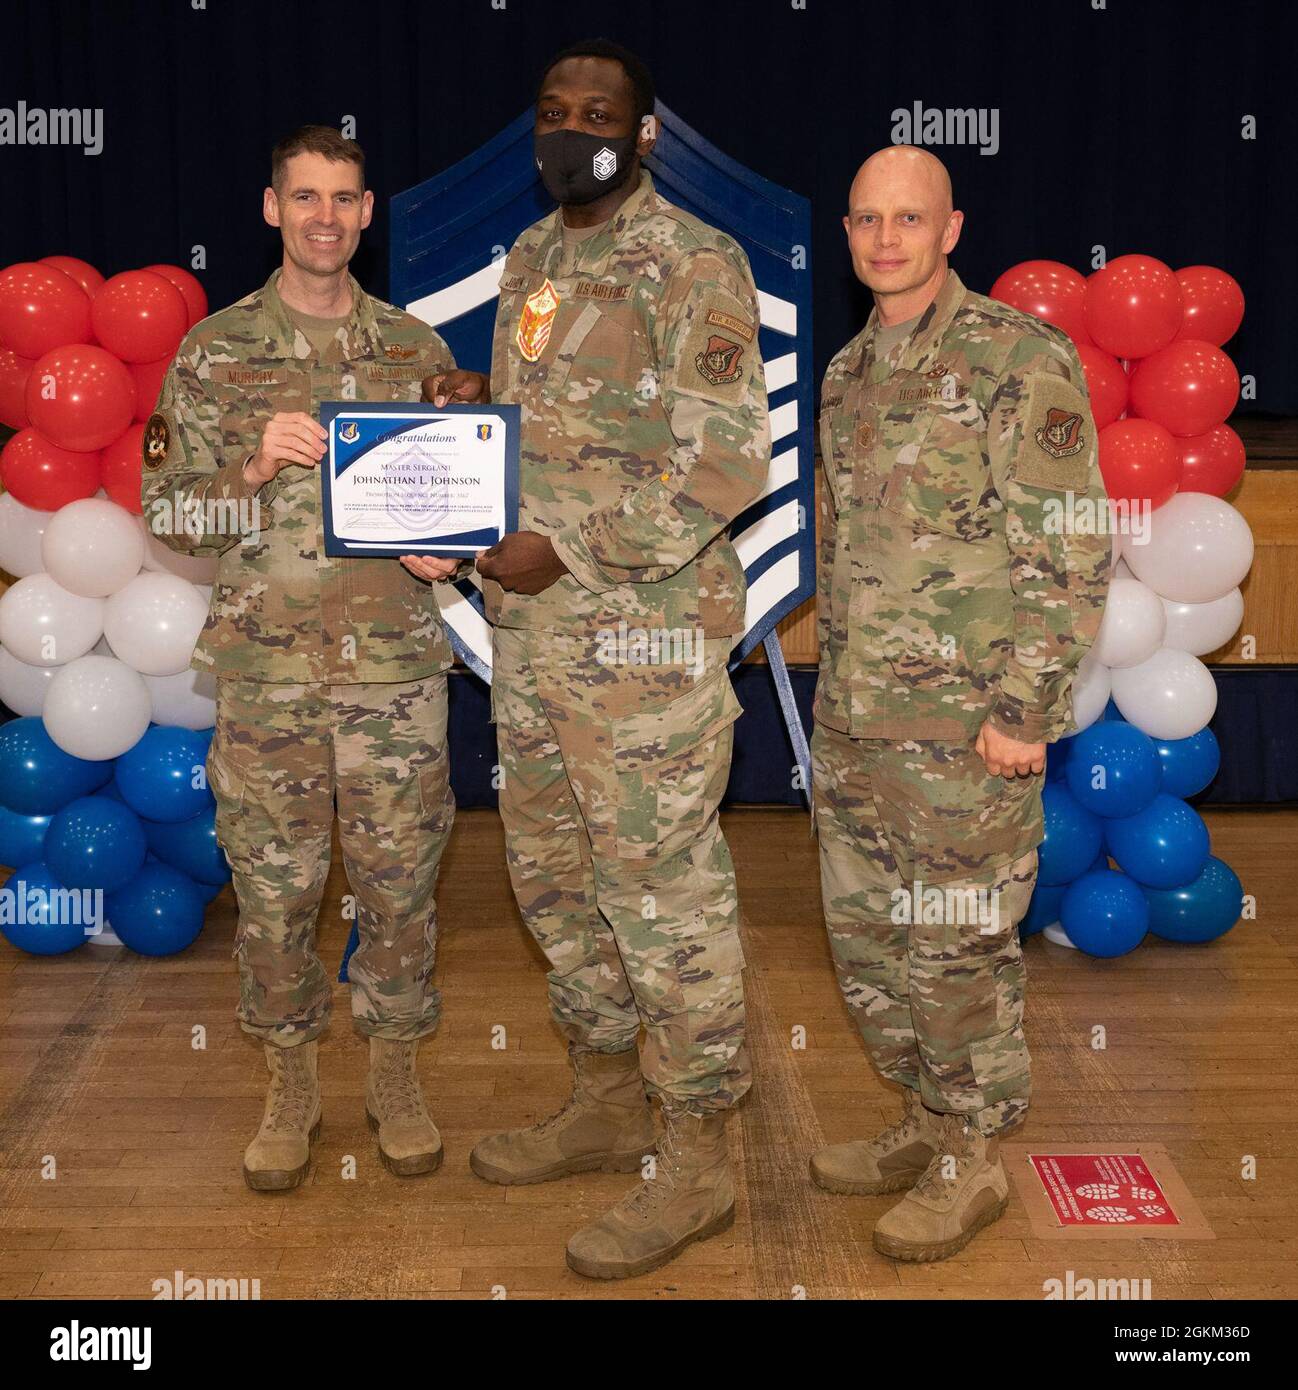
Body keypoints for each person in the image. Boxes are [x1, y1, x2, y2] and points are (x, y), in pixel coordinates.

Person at [407, 38, 770, 1280]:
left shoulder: (693, 263)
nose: (573, 129)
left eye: (598, 113)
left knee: (663, 905)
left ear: (646, 131)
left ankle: (699, 1154)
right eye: (554, 112)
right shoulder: (531, 259)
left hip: (643, 649)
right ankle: (608, 1097)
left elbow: (727, 465)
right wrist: (475, 411)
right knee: (558, 888)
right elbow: (557, 429)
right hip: (535, 651)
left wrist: (573, 549)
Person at [142, 125, 462, 1192]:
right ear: (273, 208)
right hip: (267, 683)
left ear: (368, 213)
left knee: (399, 891)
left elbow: (463, 514)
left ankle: (397, 1073)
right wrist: (247, 464)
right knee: (275, 896)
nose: (326, 215)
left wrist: (446, 556)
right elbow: (172, 517)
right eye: (305, 197)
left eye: (345, 197)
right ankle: (288, 1083)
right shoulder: (214, 351)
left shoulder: (418, 356)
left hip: (394, 682)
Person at [808, 146, 1110, 1260]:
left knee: (953, 950)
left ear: (951, 229)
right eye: (866, 220)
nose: (885, 239)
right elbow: (847, 555)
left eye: (909, 219)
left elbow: (1069, 550)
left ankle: (967, 1157)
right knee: (872, 945)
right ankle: (921, 1118)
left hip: (969, 731)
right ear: (846, 233)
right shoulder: (847, 373)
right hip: (859, 725)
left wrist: (1024, 711)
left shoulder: (1012, 356)